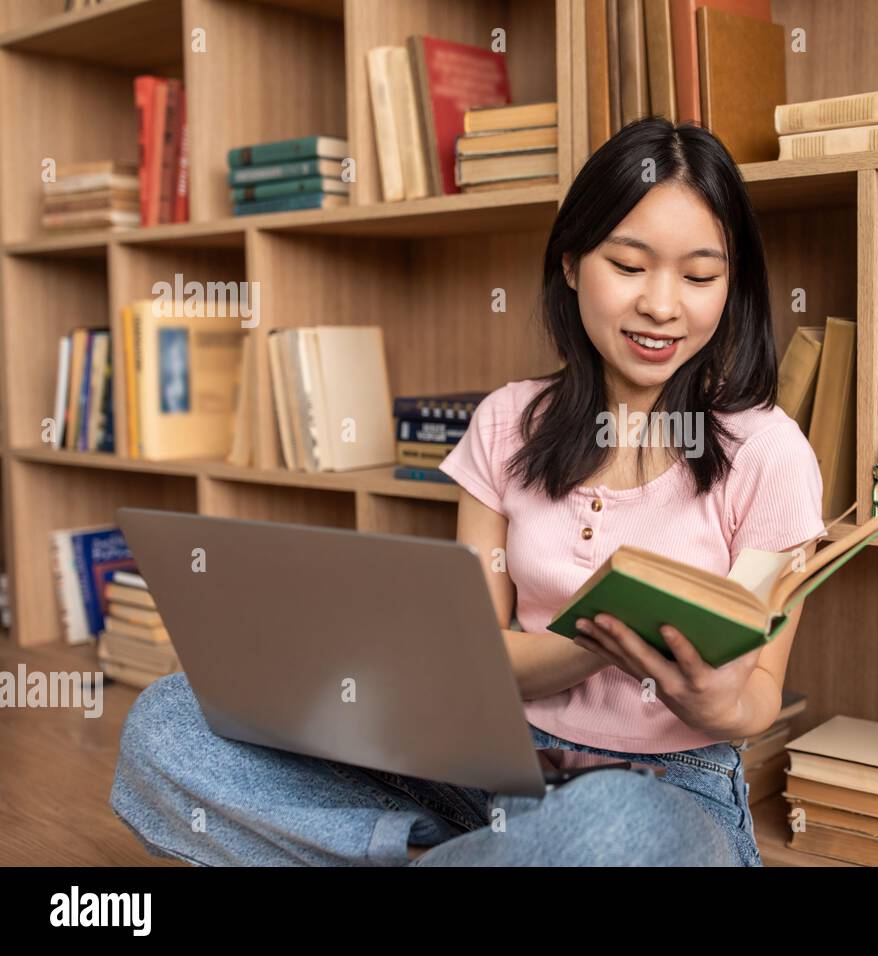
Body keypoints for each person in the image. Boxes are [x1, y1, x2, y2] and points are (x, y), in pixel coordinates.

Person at [109, 116, 827, 866]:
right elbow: (480, 661)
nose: (661, 304)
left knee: (617, 828)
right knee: (172, 720)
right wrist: (596, 644)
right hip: (493, 771)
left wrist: (717, 705)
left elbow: (759, 696)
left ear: (732, 284)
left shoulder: (769, 452)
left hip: (672, 788)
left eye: (700, 276)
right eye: (630, 264)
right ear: (573, 263)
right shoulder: (506, 424)